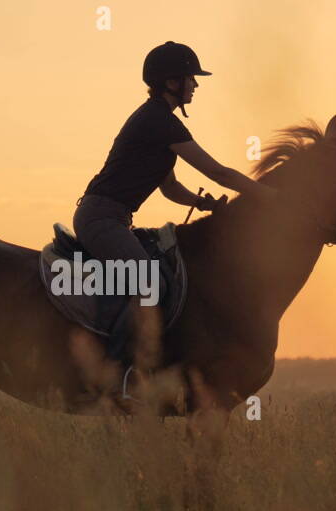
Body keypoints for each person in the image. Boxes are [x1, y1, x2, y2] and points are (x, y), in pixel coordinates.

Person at [73, 41, 278, 370]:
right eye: (190, 78)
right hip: (102, 219)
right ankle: (118, 372)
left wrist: (200, 202)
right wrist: (267, 196)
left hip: (111, 218)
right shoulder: (160, 122)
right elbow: (218, 172)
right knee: (148, 282)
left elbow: (169, 188)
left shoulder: (157, 121)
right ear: (171, 82)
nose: (195, 85)